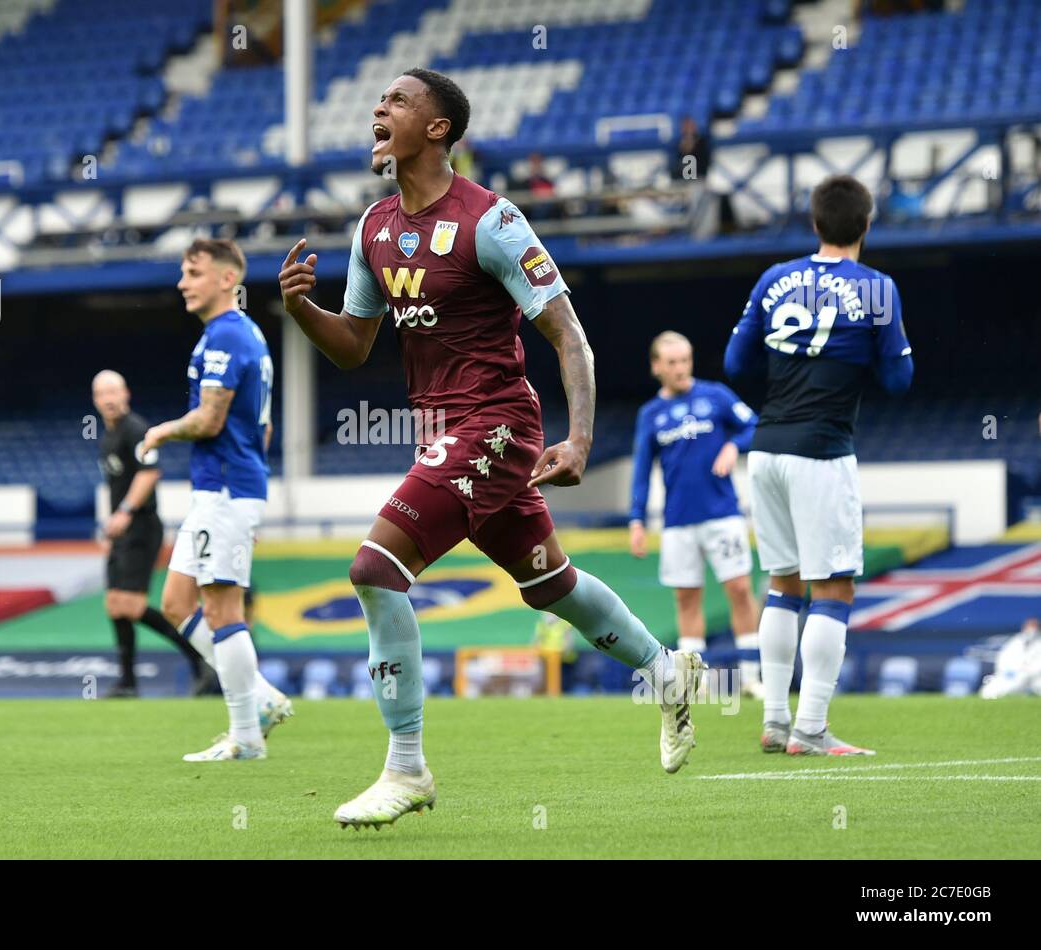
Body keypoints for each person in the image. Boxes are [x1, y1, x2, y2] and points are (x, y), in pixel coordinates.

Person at [278, 67, 705, 830]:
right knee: (551, 587)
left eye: (399, 100)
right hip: (440, 432)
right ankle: (670, 674)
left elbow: (567, 335)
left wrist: (578, 437)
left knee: (375, 568)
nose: (380, 107)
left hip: (499, 423)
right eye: (379, 99)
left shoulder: (492, 220)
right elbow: (352, 346)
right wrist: (303, 309)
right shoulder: (373, 228)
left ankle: (406, 768)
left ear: (438, 128)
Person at [725, 174, 914, 756]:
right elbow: (899, 380)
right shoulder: (878, 288)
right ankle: (810, 729)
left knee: (782, 582)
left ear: (814, 223)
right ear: (866, 224)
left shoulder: (775, 278)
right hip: (823, 451)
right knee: (833, 587)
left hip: (767, 448)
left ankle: (776, 721)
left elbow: (735, 362)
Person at [141, 238, 293, 760]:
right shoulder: (235, 334)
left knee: (222, 607)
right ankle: (262, 697)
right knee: (176, 603)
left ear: (228, 279)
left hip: (226, 491)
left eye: (194, 272)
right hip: (220, 488)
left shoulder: (227, 334)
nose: (183, 282)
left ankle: (247, 736)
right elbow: (265, 428)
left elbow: (209, 418)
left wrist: (160, 432)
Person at [628, 332, 763, 698]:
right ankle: (697, 681)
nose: (680, 368)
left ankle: (751, 676)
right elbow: (642, 470)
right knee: (687, 597)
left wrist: (734, 445)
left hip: (722, 514)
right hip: (677, 521)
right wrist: (637, 519)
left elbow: (755, 425)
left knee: (738, 588)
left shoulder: (715, 395)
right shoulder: (651, 414)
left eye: (685, 360)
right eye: (671, 362)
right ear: (656, 367)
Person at [91, 370, 205, 697]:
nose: (109, 399)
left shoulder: (135, 429)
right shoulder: (108, 436)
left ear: (126, 393)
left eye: (114, 391)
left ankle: (199, 657)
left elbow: (149, 473)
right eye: (102, 394)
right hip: (122, 531)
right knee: (114, 604)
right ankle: (128, 682)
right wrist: (113, 525)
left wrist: (125, 512)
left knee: (128, 604)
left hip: (140, 526)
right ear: (96, 400)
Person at [980, 618, 1041, 699]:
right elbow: (1003, 659)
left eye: (1034, 628)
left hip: (1035, 678)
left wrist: (1027, 672)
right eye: (1029, 627)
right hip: (1013, 676)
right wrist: (1011, 671)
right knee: (988, 691)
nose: (1031, 631)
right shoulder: (1015, 642)